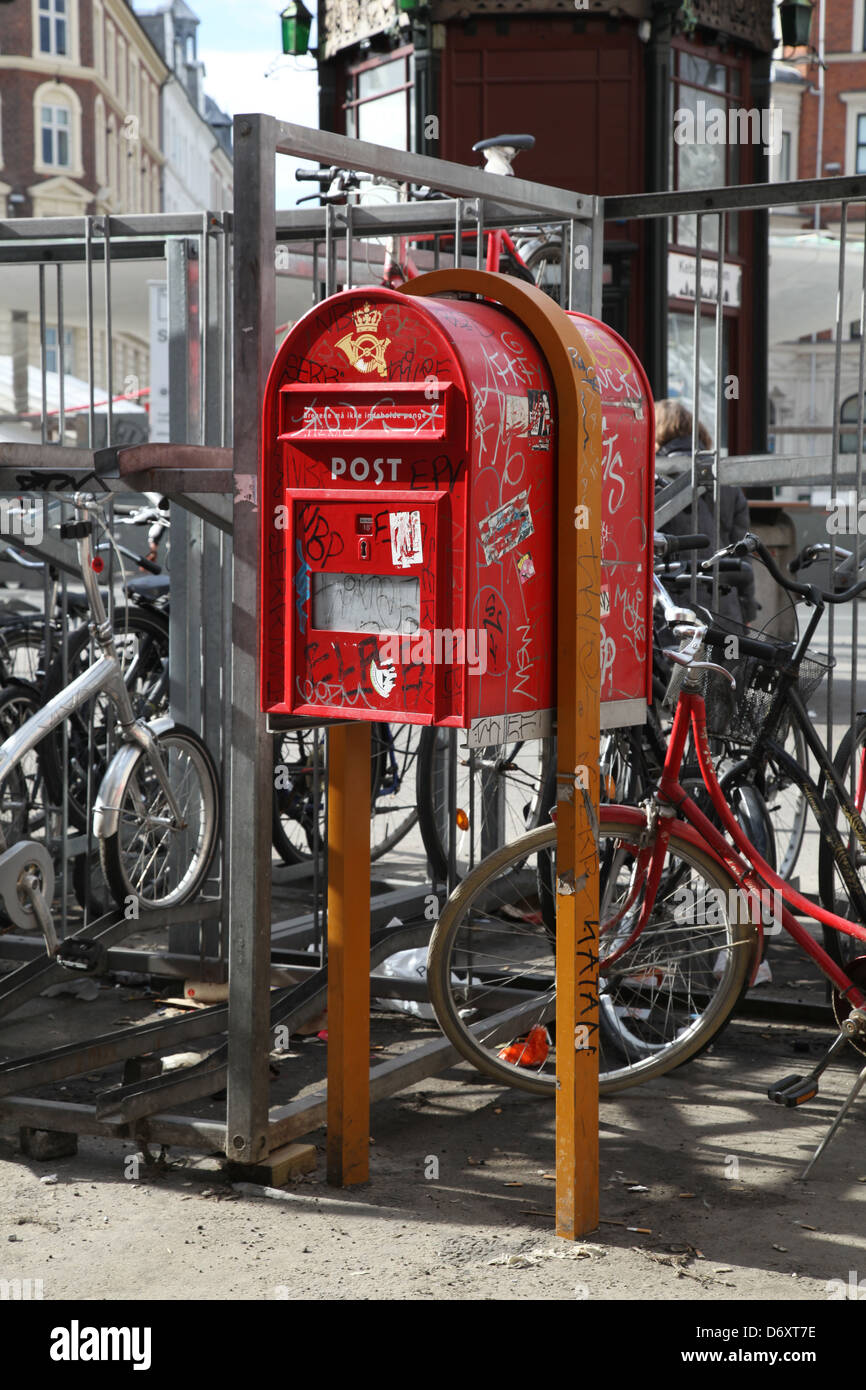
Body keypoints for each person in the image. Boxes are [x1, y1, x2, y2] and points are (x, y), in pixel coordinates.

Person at [655, 398, 757, 626]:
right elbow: (743, 556)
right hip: (724, 610)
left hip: (670, 613)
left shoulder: (649, 479)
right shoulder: (726, 483)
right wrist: (747, 611)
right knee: (722, 662)